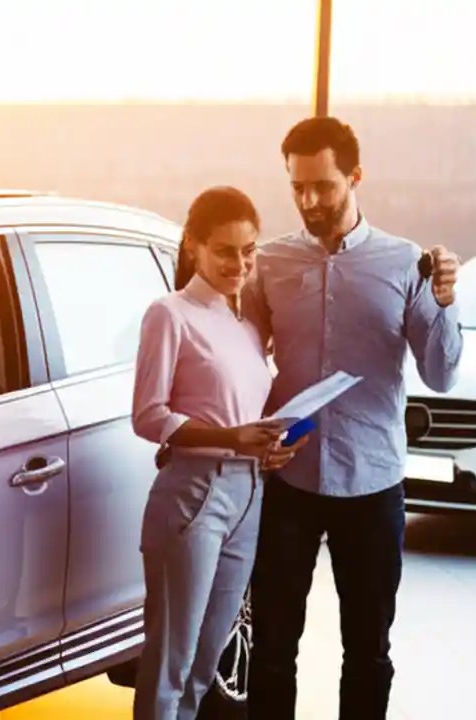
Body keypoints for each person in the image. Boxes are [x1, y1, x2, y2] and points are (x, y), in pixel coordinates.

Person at [244, 117, 462, 720]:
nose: (311, 201)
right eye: (298, 188)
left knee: (367, 651)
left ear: (355, 177)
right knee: (271, 648)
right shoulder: (270, 264)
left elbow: (442, 375)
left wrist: (444, 304)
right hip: (289, 480)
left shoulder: (407, 264)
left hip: (373, 486)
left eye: (324, 186)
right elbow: (237, 362)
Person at [131, 186, 308, 720]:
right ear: (194, 245)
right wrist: (229, 438)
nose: (239, 263)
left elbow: (243, 408)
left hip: (249, 494)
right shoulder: (170, 314)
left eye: (249, 250)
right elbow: (148, 416)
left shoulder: (248, 326)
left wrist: (266, 447)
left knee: (208, 663)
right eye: (225, 250)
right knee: (172, 662)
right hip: (194, 494)